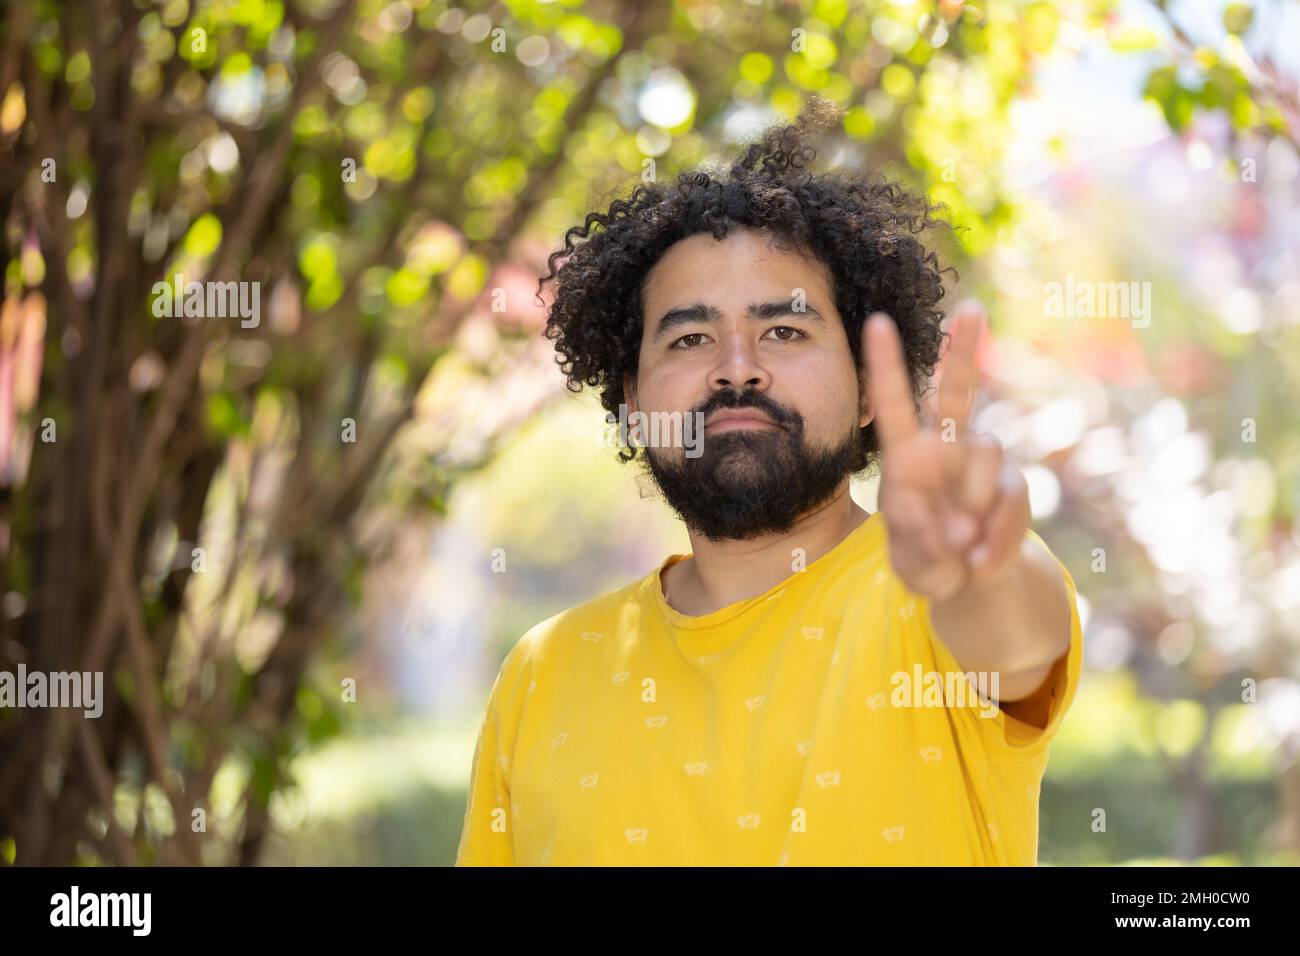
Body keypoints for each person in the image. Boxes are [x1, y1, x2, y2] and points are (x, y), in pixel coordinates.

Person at [455, 99, 1083, 866]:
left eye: (784, 330)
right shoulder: (542, 673)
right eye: (690, 337)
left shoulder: (938, 594)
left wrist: (979, 574)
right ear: (634, 404)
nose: (737, 368)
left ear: (865, 390)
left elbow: (1015, 641)